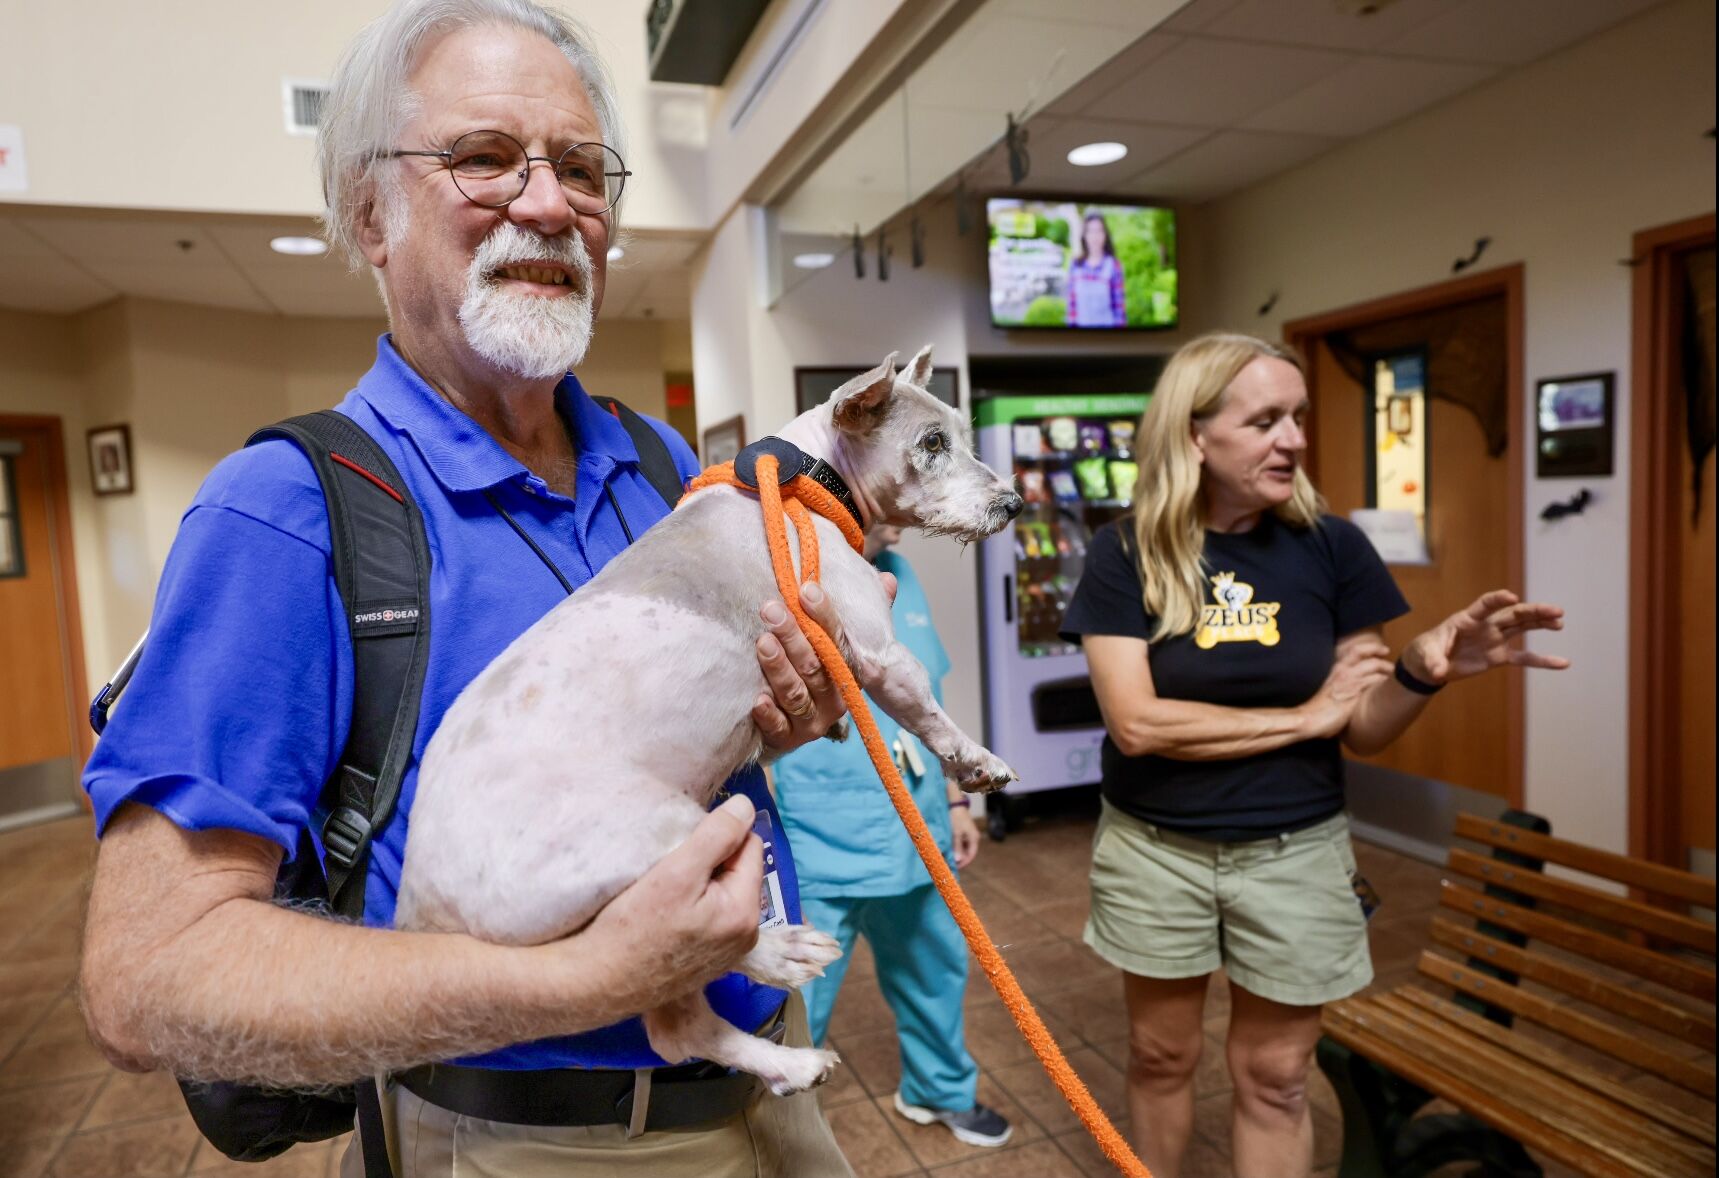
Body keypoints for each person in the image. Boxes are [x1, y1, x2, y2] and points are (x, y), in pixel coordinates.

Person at [75, 3, 868, 1175]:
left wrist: (778, 718)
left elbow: (646, 757)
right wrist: (578, 982)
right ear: (370, 212)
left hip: (771, 1083)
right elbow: (147, 973)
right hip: (518, 1140)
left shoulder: (662, 466)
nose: (549, 204)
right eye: (484, 158)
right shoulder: (285, 512)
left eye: (583, 169)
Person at [1059, 332, 1569, 1178]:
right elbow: (1138, 725)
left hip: (1296, 853)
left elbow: (1362, 725)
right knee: (1159, 1057)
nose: (1292, 438)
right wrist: (1304, 719)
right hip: (1157, 853)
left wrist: (1417, 672)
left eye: (1296, 417)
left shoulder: (1332, 548)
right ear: (1193, 434)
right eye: (1264, 420)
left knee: (1277, 1077)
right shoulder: (1125, 555)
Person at [771, 525, 1012, 1149]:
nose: (902, 519)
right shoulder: (781, 575)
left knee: (935, 970)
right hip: (820, 834)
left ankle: (938, 1091)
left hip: (918, 823)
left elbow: (929, 689)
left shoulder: (898, 570)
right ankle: (771, 1125)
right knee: (797, 1000)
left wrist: (958, 798)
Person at [1066, 212, 1126, 329]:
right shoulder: (1075, 265)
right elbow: (1072, 309)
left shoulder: (1114, 265)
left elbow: (1119, 310)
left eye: (1099, 231)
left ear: (1105, 235)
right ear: (1084, 235)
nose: (1095, 236)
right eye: (1090, 231)